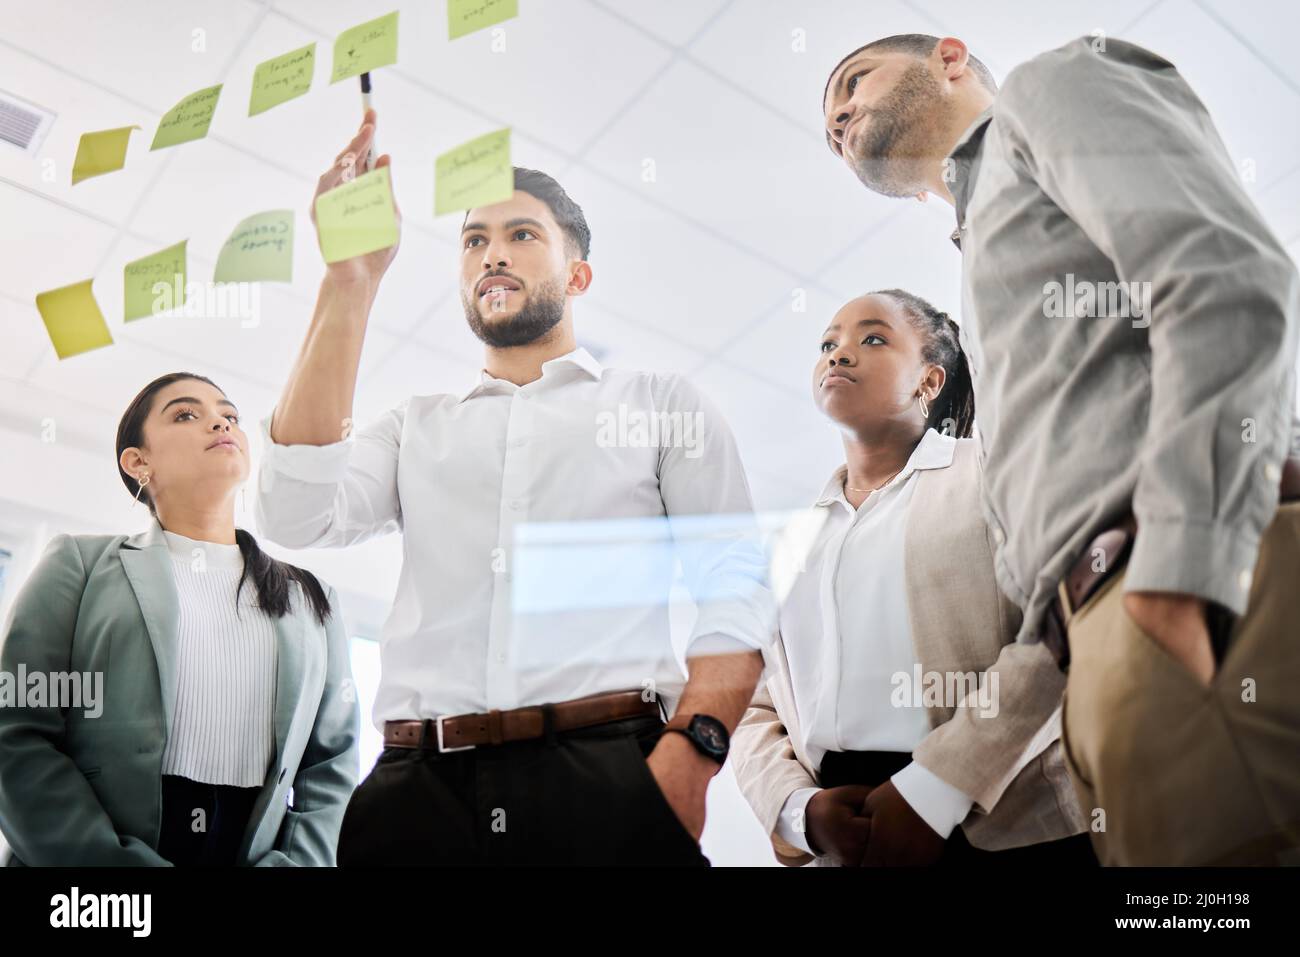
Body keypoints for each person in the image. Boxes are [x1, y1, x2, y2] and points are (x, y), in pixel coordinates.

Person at [820, 33, 1300, 864]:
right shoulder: (981, 261)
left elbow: (1224, 277)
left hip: (1201, 593)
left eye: (853, 83)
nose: (841, 116)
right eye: (831, 127)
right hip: (1102, 663)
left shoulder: (1052, 89)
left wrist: (1183, 572)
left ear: (949, 56)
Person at [254, 110, 775, 866]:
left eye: (522, 235)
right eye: (475, 241)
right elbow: (294, 514)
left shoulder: (659, 403)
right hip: (414, 797)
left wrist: (692, 752)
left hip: (610, 777)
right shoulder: (414, 428)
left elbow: (738, 588)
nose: (493, 253)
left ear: (578, 273)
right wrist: (349, 281)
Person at [731, 290, 1090, 866]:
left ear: (928, 381)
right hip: (845, 826)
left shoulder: (994, 474)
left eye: (872, 339)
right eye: (829, 343)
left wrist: (935, 789)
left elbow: (1062, 634)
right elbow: (756, 704)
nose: (839, 355)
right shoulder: (786, 540)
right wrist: (796, 813)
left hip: (1001, 814)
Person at [0, 373, 359, 866]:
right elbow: (17, 732)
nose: (219, 422)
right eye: (186, 414)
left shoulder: (312, 599)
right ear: (138, 461)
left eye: (229, 415)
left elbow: (330, 767)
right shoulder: (78, 566)